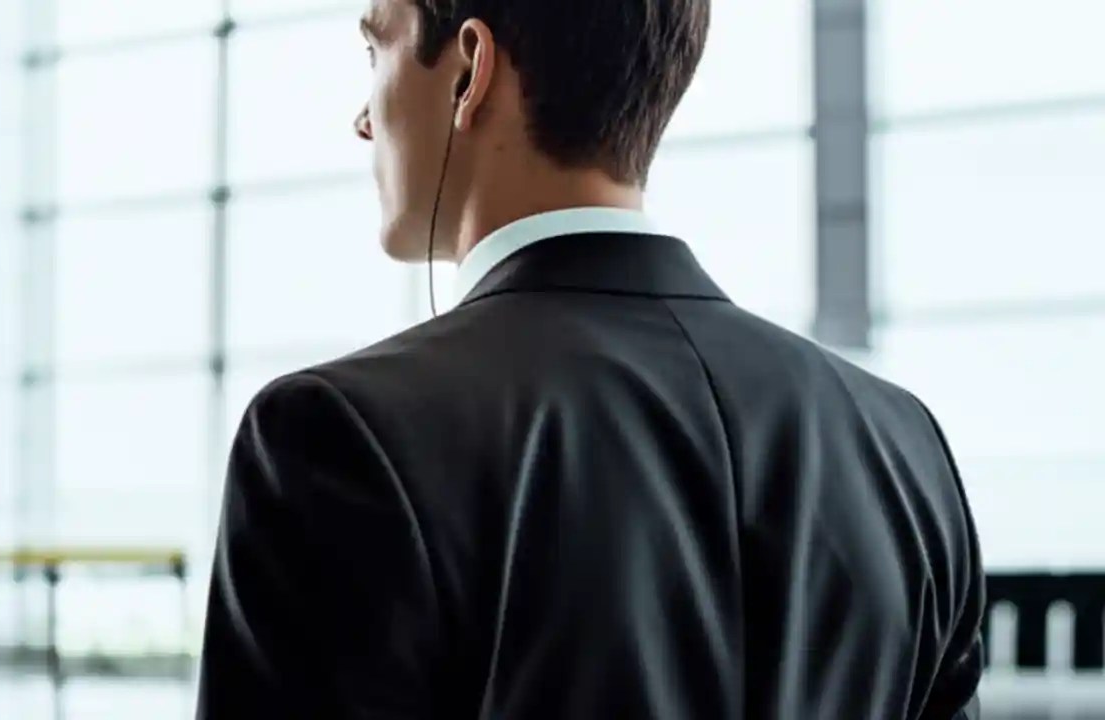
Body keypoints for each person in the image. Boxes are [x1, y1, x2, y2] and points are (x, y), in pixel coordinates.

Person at [198, 1, 984, 717]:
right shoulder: (902, 446)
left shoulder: (337, 436)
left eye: (378, 51)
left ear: (470, 69)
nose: (364, 119)